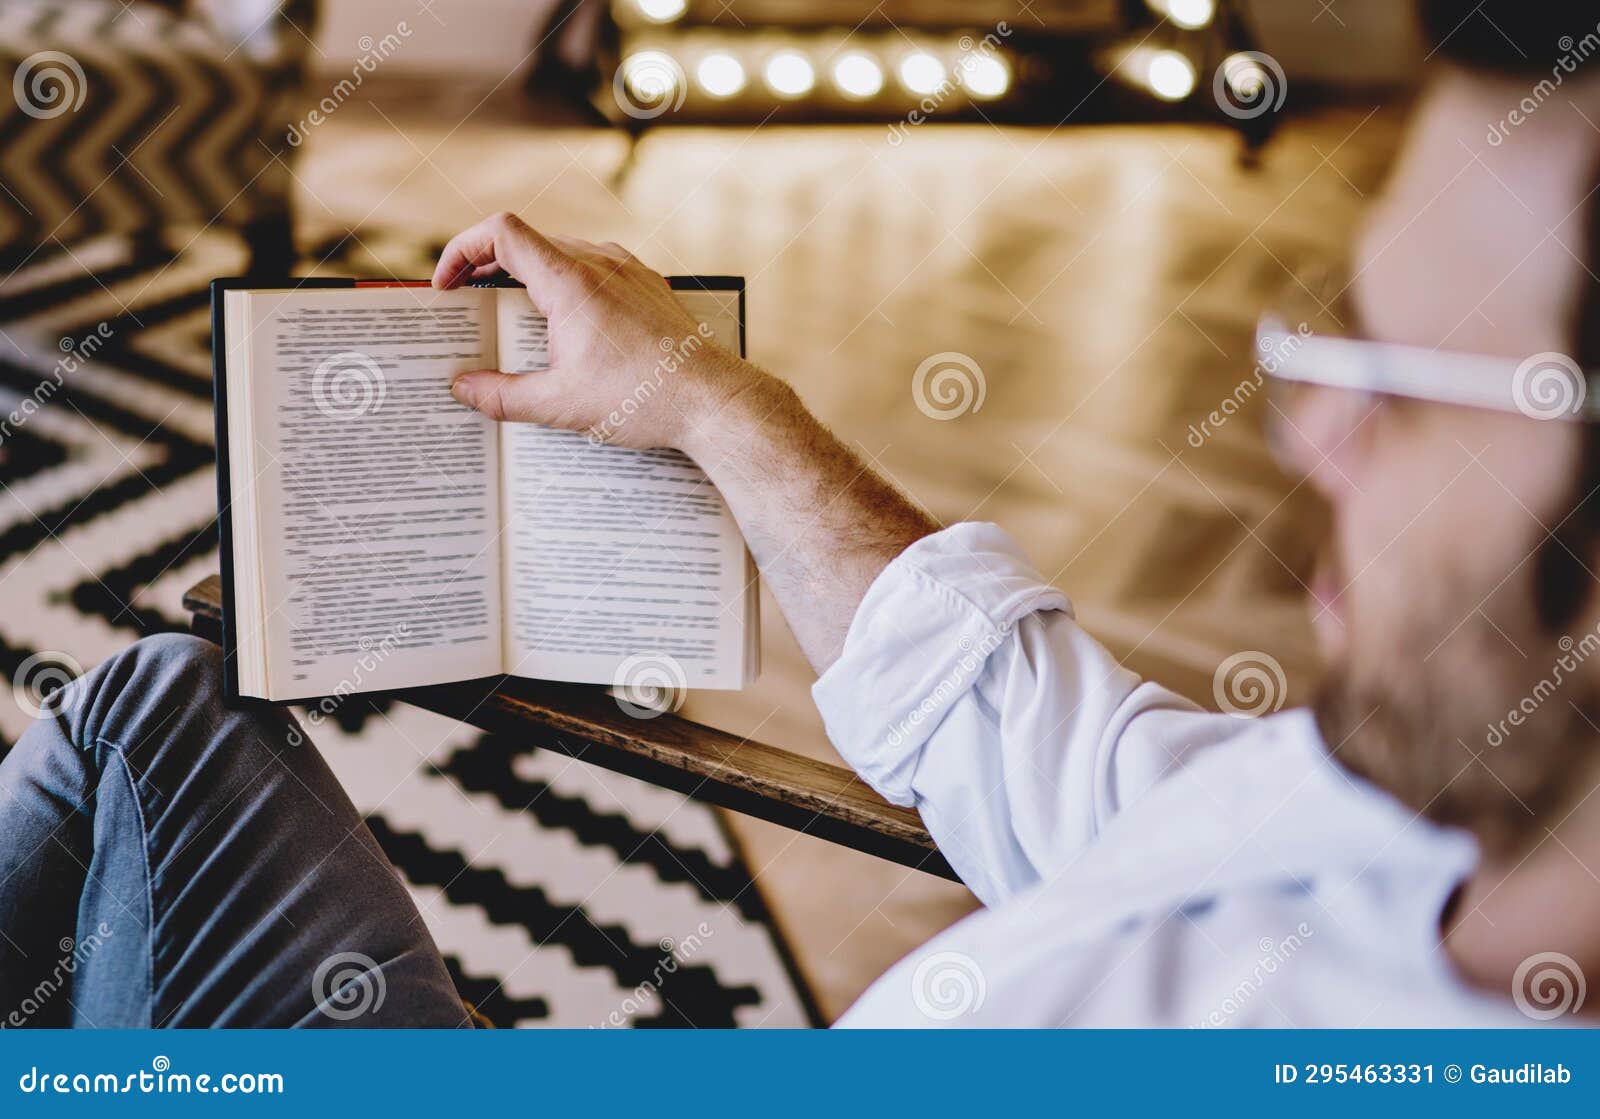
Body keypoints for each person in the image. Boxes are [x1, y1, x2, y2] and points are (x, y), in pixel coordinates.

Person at [2, 0, 1596, 1026]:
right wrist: (707, 395)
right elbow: (1070, 760)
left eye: (1398, 380)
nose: (1307, 440)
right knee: (160, 708)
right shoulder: (1417, 812)